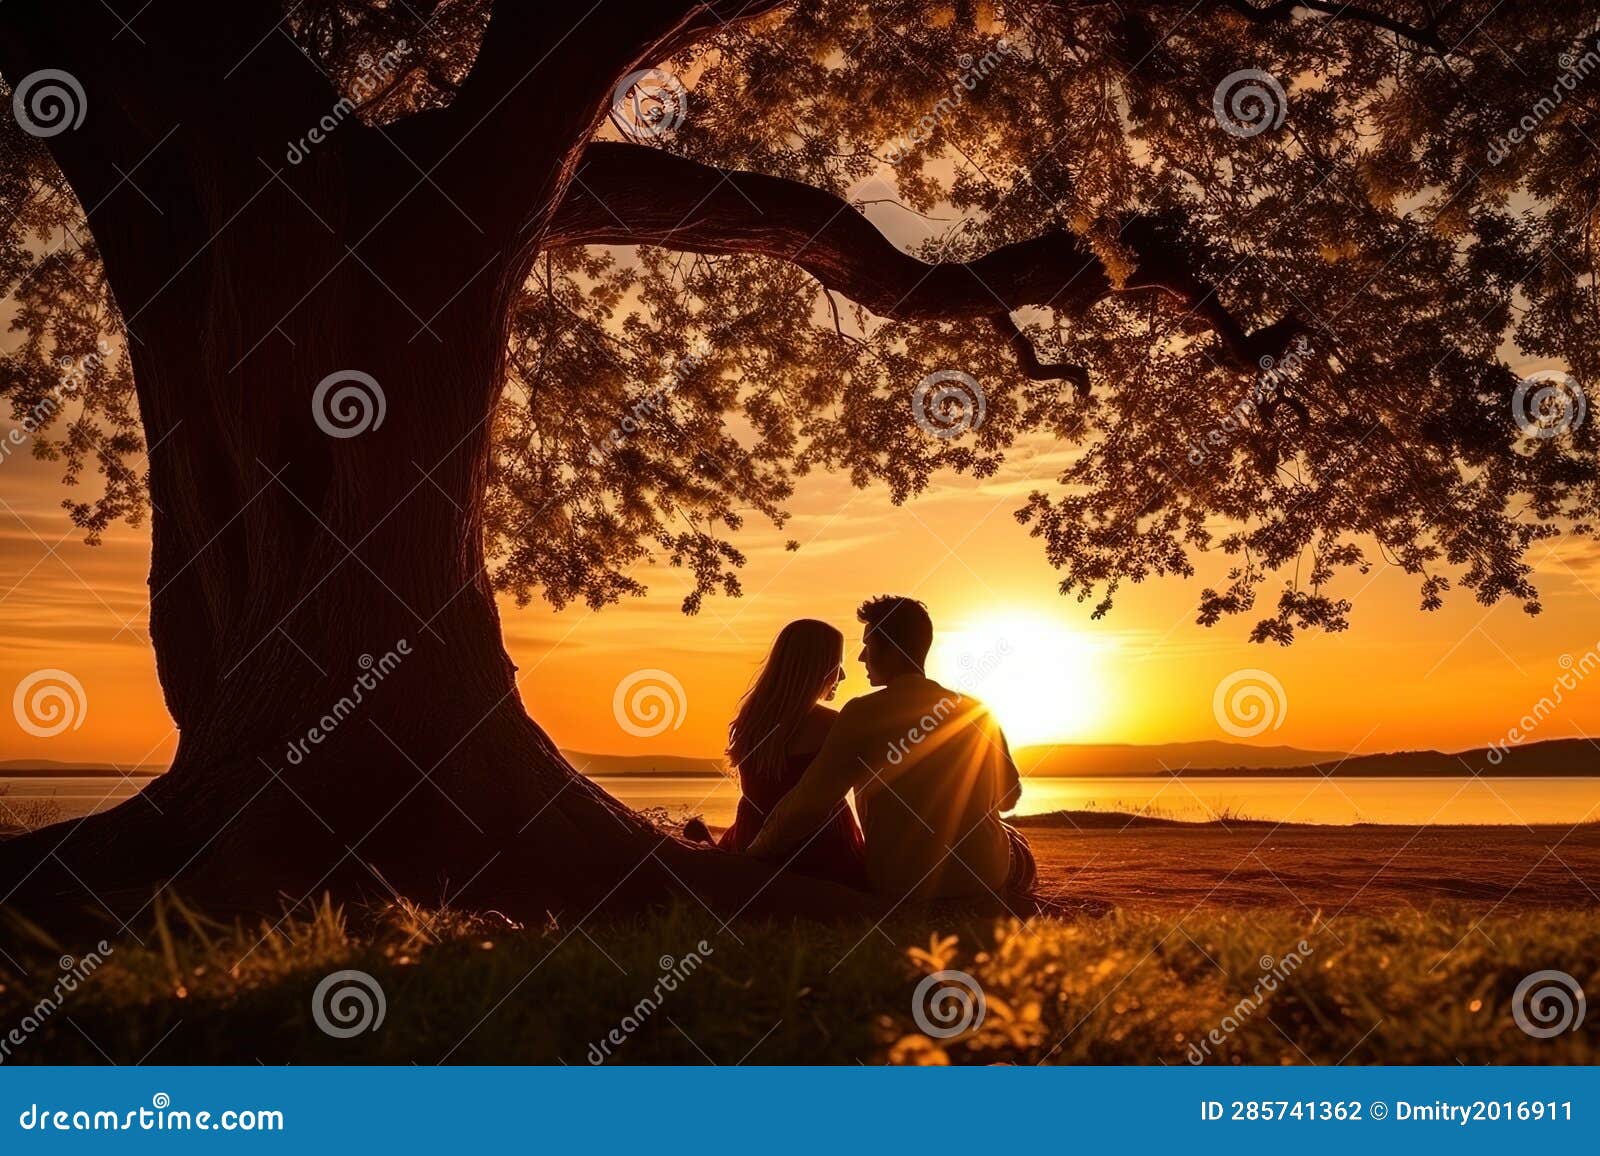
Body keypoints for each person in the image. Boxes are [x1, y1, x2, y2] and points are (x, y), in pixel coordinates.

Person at [748, 595, 1035, 902]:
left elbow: (807, 805)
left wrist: (756, 850)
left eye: (868, 645)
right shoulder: (976, 710)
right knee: (1017, 844)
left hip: (899, 883)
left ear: (892, 651)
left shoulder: (860, 714)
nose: (860, 658)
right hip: (981, 877)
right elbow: (1009, 798)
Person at [714, 619, 867, 888]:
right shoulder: (832, 725)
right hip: (823, 850)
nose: (842, 675)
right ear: (814, 667)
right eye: (837, 663)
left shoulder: (751, 720)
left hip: (753, 837)